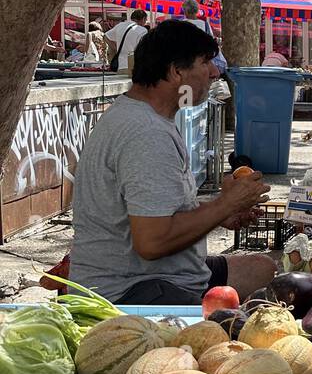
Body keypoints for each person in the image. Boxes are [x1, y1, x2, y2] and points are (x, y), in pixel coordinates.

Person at [70, 20, 276, 304]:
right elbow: (152, 243)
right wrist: (225, 204)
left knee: (264, 269)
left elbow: (160, 212)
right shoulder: (146, 134)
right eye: (206, 63)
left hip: (167, 273)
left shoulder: (146, 118)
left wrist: (220, 213)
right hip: (132, 291)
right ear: (176, 71)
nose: (215, 72)